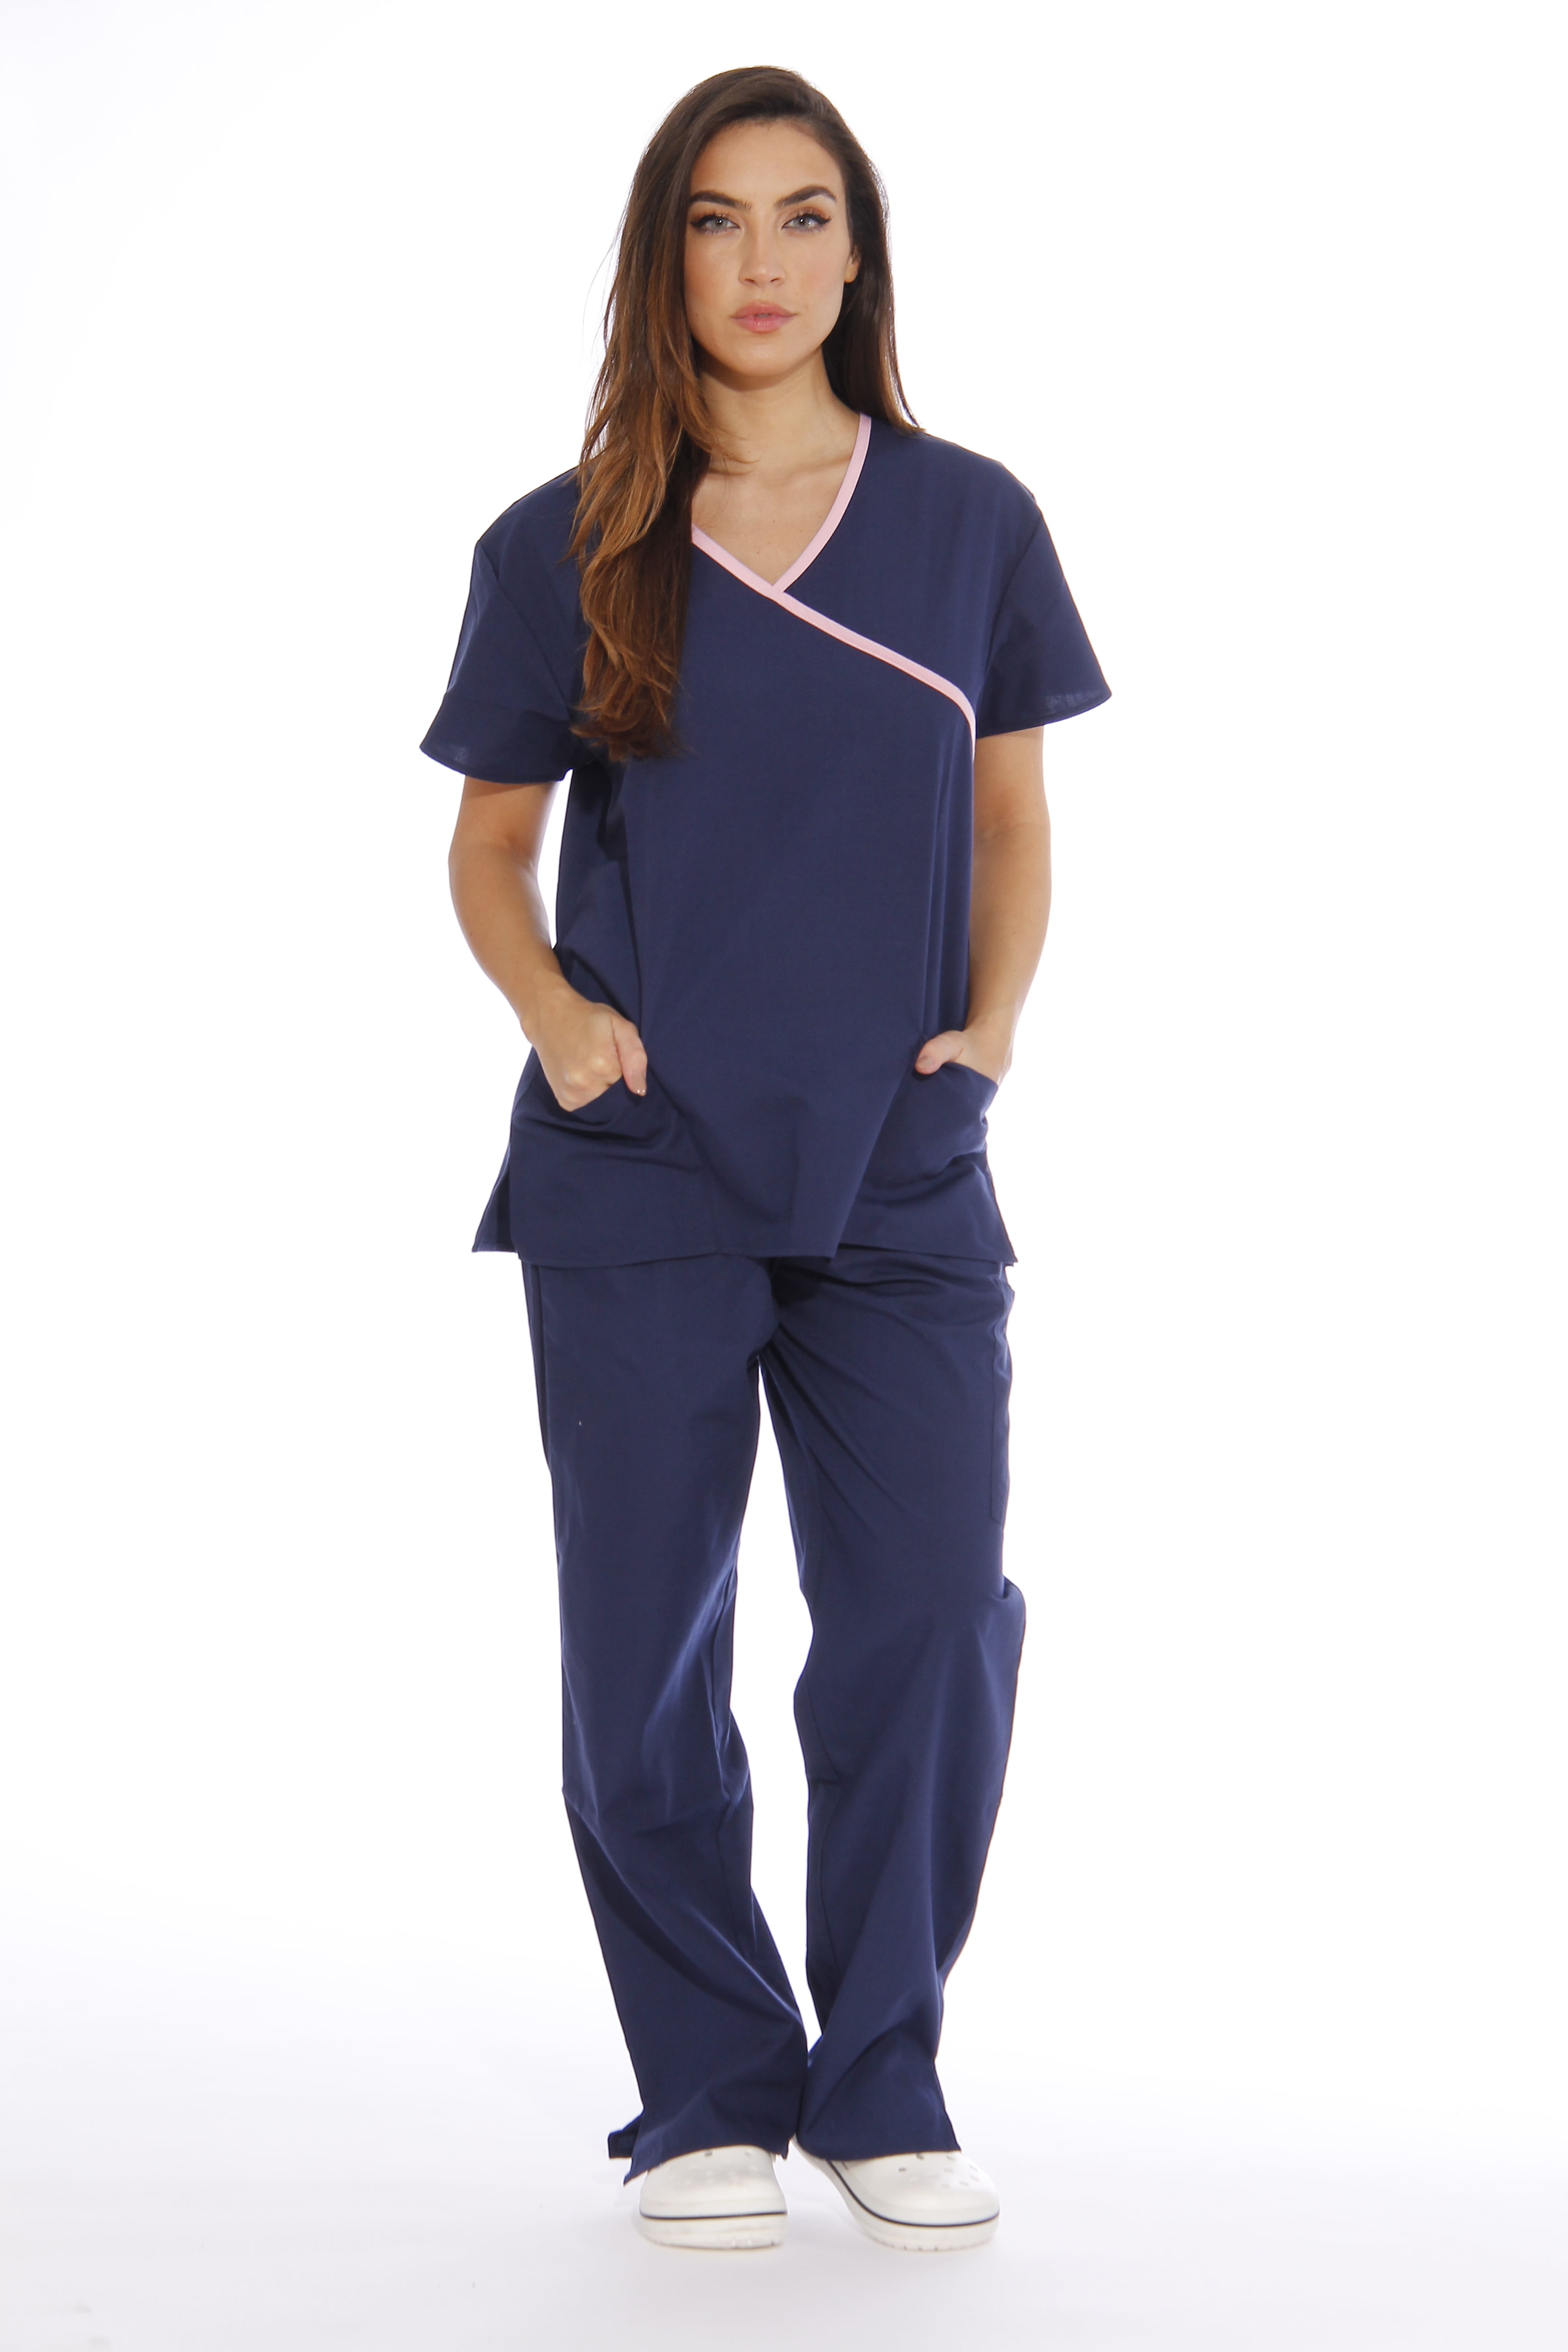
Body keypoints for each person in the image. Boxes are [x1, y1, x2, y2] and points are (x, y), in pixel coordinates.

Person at [422, 64, 1109, 2254]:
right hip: (639, 1163)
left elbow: (1010, 816)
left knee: (930, 1614)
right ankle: (709, 2088)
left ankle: (881, 2071)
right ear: (665, 256)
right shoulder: (567, 541)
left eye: (806, 217)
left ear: (860, 253)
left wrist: (991, 1033)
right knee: (645, 1642)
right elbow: (488, 853)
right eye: (717, 221)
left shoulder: (970, 522)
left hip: (899, 1153)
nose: (763, 263)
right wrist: (563, 1026)